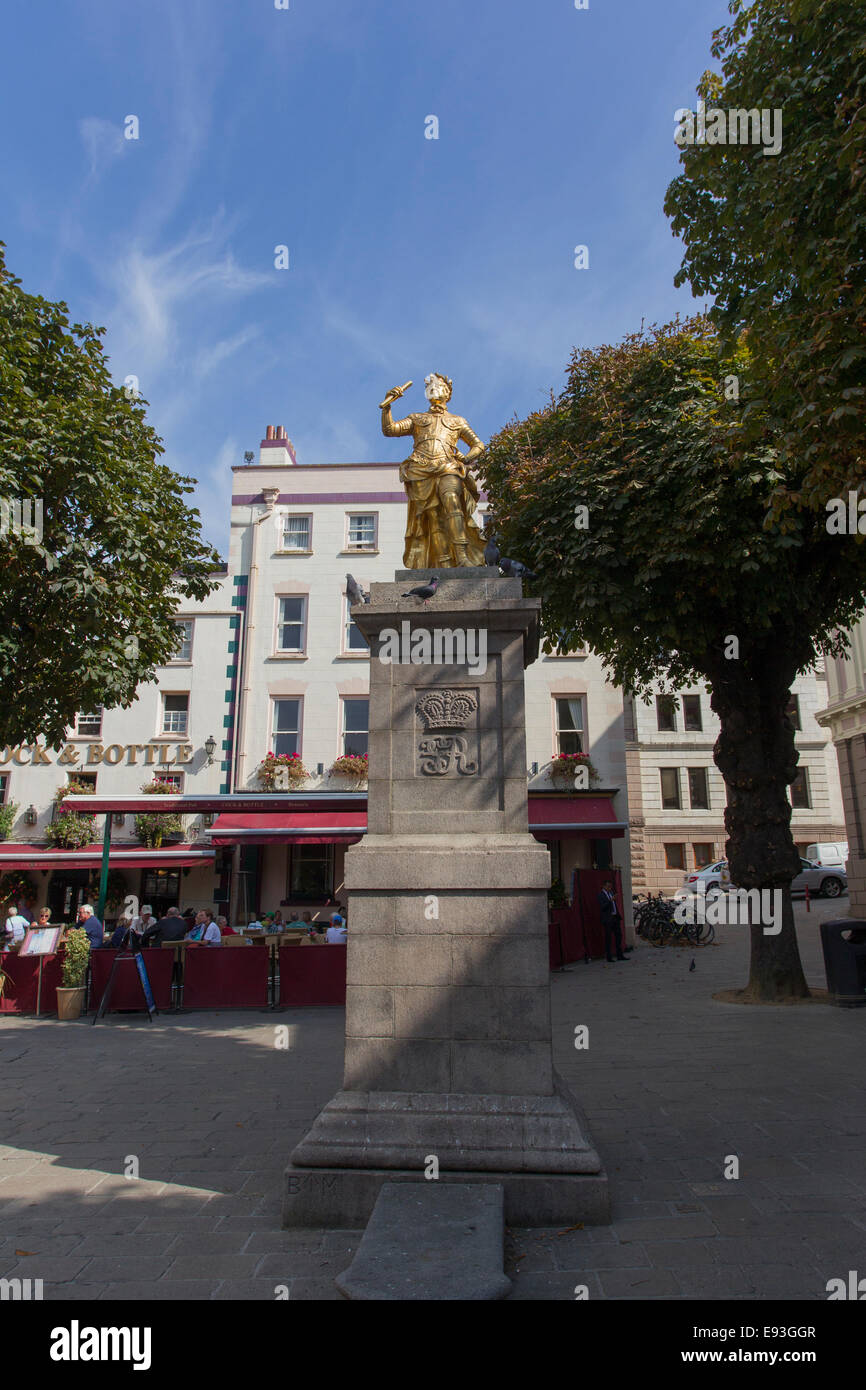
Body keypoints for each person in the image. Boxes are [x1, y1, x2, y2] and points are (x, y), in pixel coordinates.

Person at [598, 880, 627, 963]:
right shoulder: (601, 895)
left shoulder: (611, 893)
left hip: (615, 917)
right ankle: (609, 957)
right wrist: (610, 900)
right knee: (608, 938)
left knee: (619, 936)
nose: (609, 888)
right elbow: (603, 907)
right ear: (603, 886)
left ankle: (620, 955)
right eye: (608, 886)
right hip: (608, 919)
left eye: (610, 886)